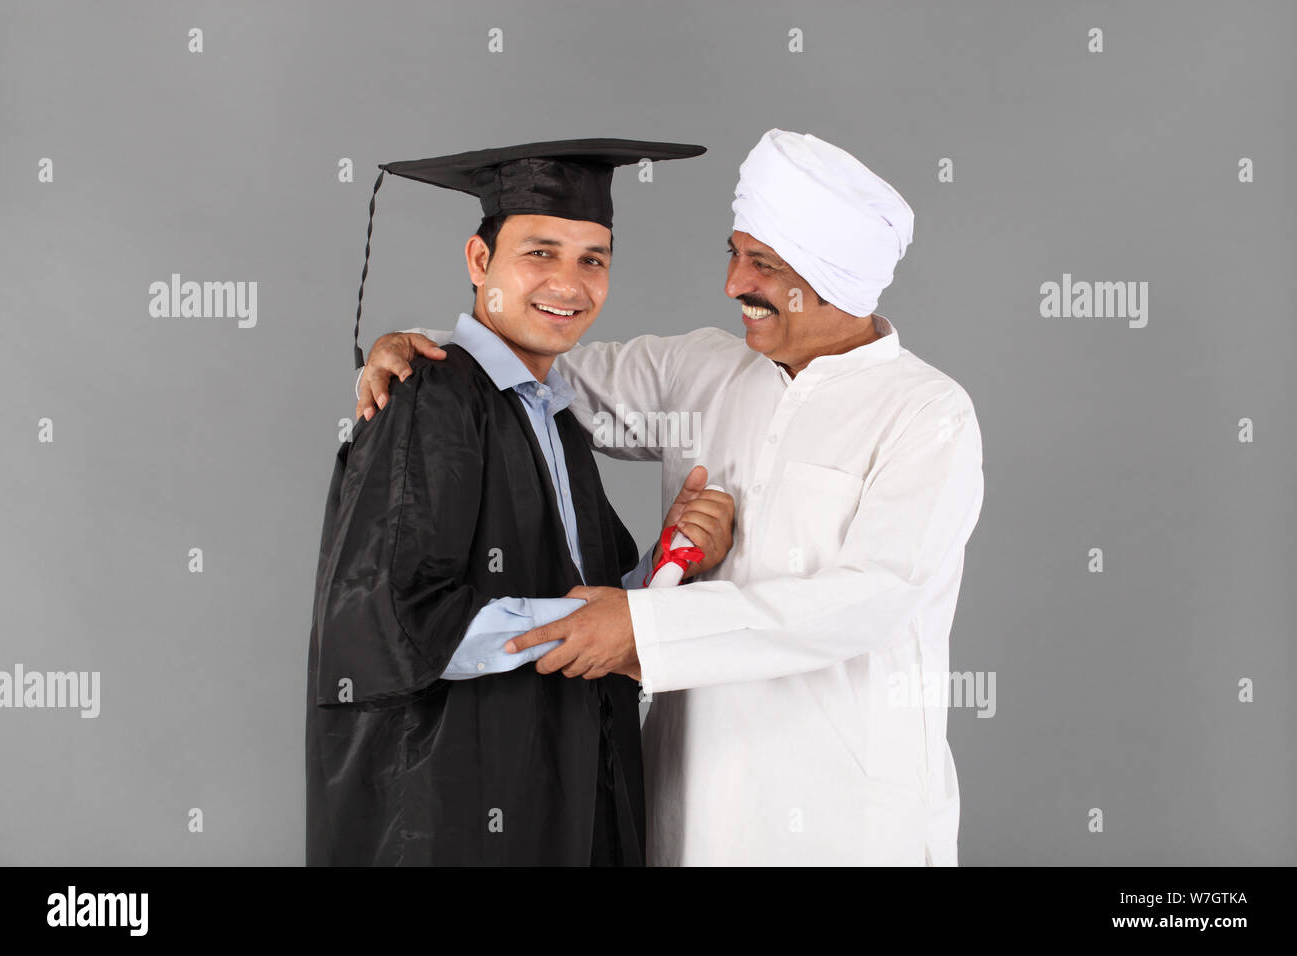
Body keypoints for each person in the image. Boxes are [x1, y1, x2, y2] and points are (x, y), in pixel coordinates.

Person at [356, 129, 985, 865]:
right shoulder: (703, 371)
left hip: (846, 821)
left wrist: (642, 630)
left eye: (763, 264)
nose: (732, 284)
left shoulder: (926, 413)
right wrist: (422, 352)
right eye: (734, 253)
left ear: (835, 277)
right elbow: (537, 371)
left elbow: (870, 602)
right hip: (685, 812)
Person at [306, 138, 729, 866]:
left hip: (555, 790)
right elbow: (395, 617)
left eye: (592, 259)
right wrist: (604, 623)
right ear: (480, 262)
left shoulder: (552, 414)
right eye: (540, 252)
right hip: (451, 803)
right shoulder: (429, 398)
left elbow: (579, 599)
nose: (569, 282)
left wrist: (670, 563)